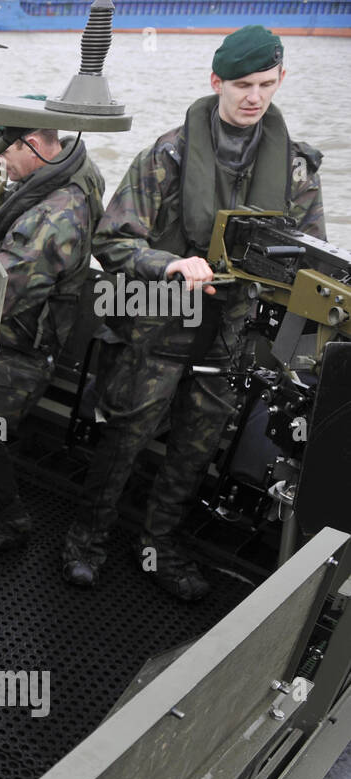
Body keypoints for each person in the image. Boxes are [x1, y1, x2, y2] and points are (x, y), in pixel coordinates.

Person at [61, 24, 325, 600]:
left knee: (194, 451)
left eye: (265, 83)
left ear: (280, 80)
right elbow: (113, 241)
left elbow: (314, 260)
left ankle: (158, 548)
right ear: (216, 82)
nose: (253, 96)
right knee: (126, 438)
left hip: (231, 337)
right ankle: (87, 539)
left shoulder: (298, 171)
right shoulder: (168, 155)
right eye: (240, 85)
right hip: (159, 324)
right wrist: (171, 265)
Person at [0, 106, 106, 552]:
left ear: (36, 146)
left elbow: (1, 294)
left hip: (20, 352)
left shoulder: (53, 217)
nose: (0, 159)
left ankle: (9, 519)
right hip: (30, 339)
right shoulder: (73, 172)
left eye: (6, 150)